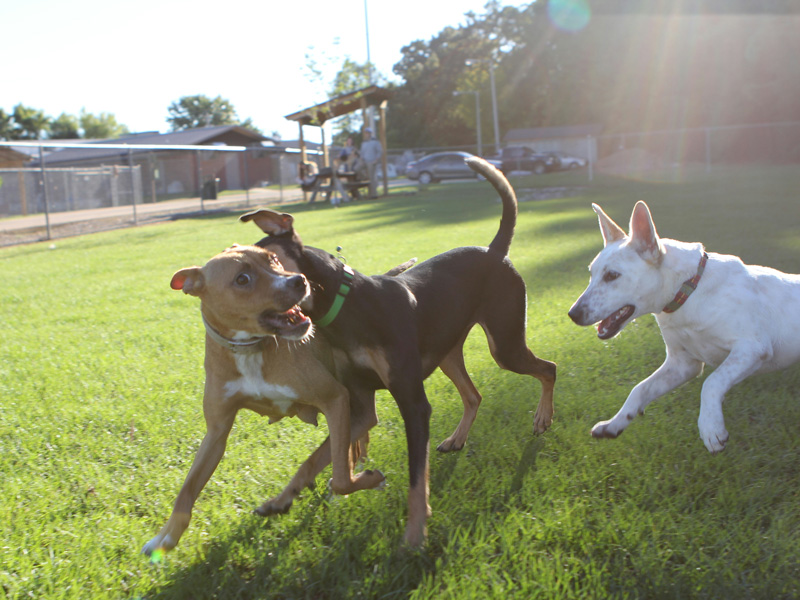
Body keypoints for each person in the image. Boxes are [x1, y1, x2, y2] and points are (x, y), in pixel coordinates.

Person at [360, 127, 382, 199]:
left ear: (370, 133)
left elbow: (379, 151)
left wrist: (376, 159)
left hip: (371, 162)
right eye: (366, 133)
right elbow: (362, 153)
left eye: (368, 133)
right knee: (356, 168)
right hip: (364, 161)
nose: (367, 134)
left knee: (371, 178)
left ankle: (373, 194)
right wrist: (361, 159)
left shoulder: (375, 142)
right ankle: (362, 177)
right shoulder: (363, 143)